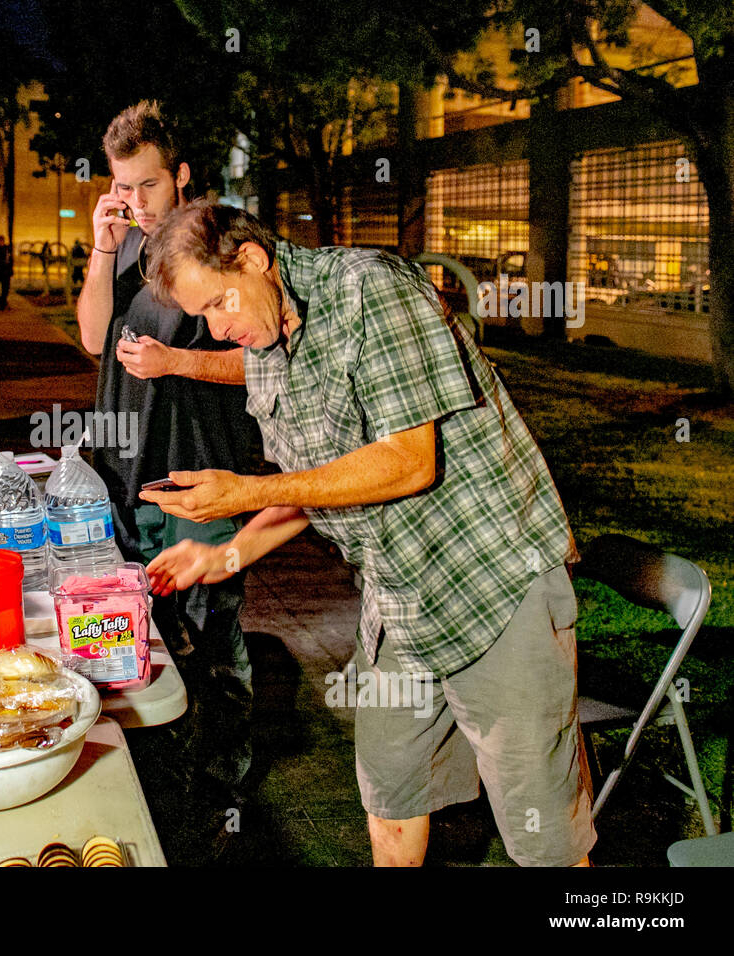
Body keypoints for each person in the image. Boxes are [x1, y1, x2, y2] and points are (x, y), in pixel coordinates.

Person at [139, 198, 595, 868]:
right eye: (201, 315)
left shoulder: (369, 291)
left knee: (543, 837)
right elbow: (318, 481)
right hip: (402, 599)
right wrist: (225, 553)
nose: (216, 326)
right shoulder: (270, 335)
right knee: (391, 792)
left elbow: (410, 461)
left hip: (493, 581)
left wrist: (250, 491)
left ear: (254, 259)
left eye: (218, 304)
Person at [75, 102, 263, 824]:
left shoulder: (219, 238)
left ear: (181, 177)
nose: (135, 202)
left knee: (215, 641)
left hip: (202, 477)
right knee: (136, 639)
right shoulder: (123, 245)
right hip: (125, 479)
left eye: (148, 186)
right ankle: (154, 778)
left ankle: (224, 793)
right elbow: (94, 340)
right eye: (123, 187)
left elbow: (264, 362)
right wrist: (100, 247)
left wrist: (176, 360)